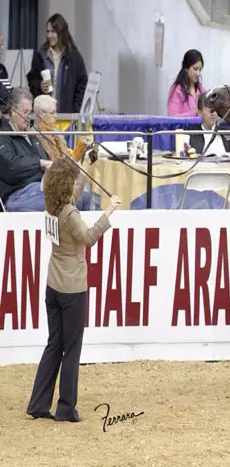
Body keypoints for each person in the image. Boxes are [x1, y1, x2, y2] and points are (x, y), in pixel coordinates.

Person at [26, 156, 122, 422]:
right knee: (72, 348)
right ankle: (66, 408)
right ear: (65, 184)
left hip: (53, 284)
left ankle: (38, 403)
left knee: (54, 345)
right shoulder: (70, 214)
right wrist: (109, 211)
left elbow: (74, 194)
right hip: (72, 288)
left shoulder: (52, 205)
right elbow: (89, 237)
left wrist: (84, 166)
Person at [27, 13, 88, 114]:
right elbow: (32, 80)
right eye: (48, 32)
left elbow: (82, 85)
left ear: (61, 32)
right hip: (45, 116)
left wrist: (75, 110)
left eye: (53, 32)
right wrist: (39, 86)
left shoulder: (74, 57)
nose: (49, 35)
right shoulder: (40, 54)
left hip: (66, 118)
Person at [167, 49, 206, 117]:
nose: (198, 73)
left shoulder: (202, 91)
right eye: (195, 69)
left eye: (200, 70)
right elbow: (172, 118)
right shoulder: (177, 90)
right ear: (186, 68)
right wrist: (195, 113)